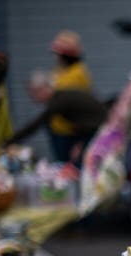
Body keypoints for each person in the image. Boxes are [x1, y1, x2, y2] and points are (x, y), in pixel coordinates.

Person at [8, 71, 106, 166]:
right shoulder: (60, 96)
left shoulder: (58, 102)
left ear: (42, 89)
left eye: (33, 94)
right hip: (93, 127)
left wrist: (10, 141)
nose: (33, 99)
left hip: (97, 128)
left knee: (83, 163)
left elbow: (36, 124)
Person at [47, 30, 94, 161]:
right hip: (59, 129)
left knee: (70, 170)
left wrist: (80, 140)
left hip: (71, 133)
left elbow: (79, 109)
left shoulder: (77, 74)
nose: (55, 57)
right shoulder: (60, 71)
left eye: (58, 54)